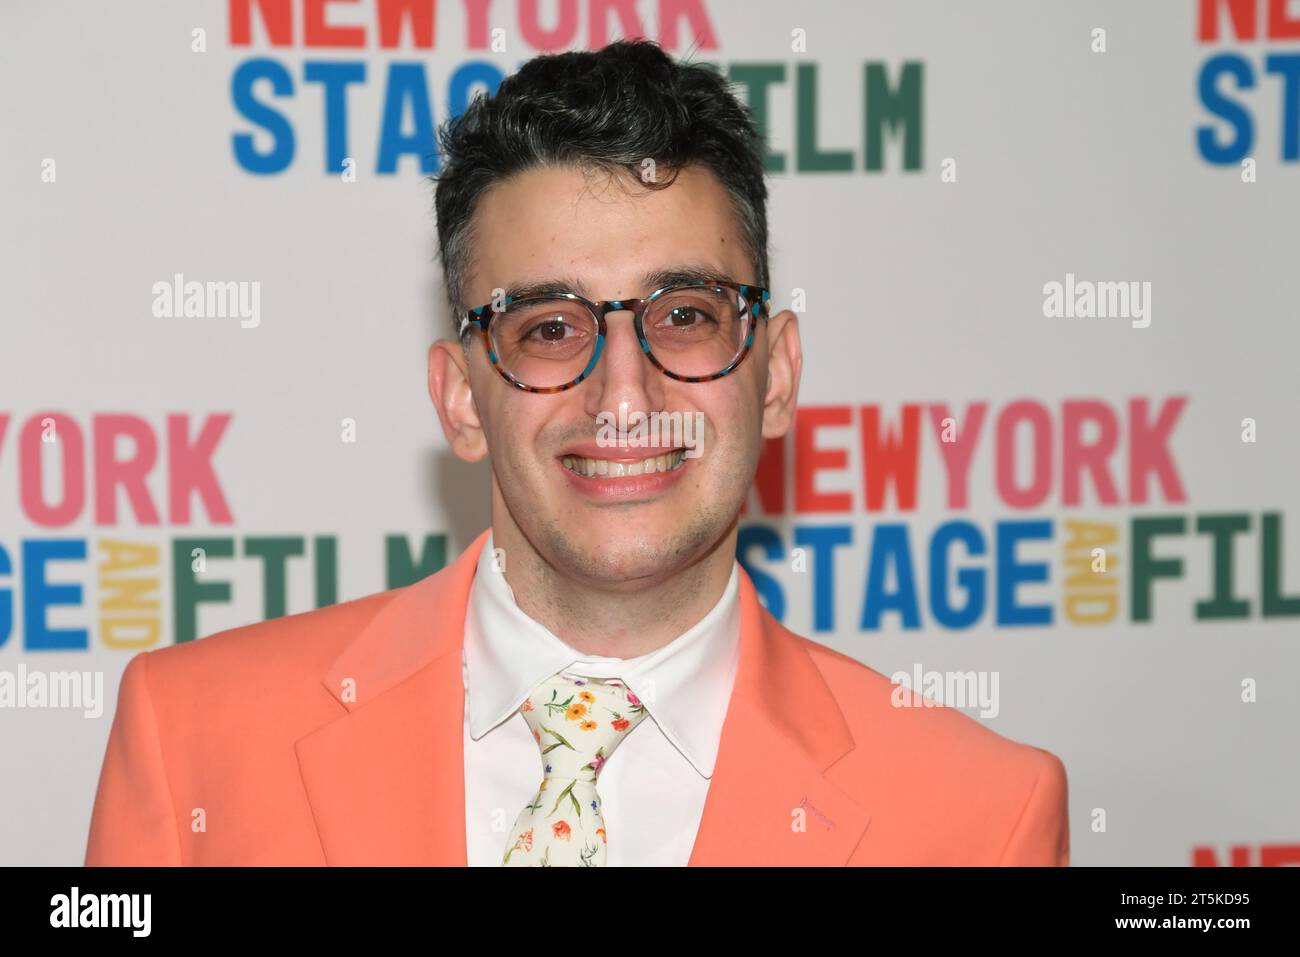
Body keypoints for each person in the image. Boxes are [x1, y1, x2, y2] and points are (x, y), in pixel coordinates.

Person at [85, 39, 1068, 867]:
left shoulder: (980, 817)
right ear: (461, 397)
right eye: (549, 327)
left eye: (684, 316)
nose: (625, 393)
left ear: (773, 376)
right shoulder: (194, 742)